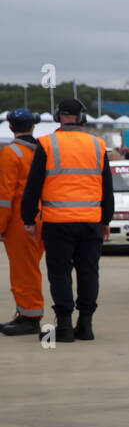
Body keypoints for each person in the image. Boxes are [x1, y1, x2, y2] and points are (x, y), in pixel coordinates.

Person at [19, 99, 113, 343]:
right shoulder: (98, 144)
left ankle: (64, 327)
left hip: (57, 221)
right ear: (82, 117)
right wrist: (106, 219)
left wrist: (28, 218)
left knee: (60, 273)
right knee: (89, 271)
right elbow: (107, 187)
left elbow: (33, 185)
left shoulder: (47, 144)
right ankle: (86, 324)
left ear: (57, 116)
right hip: (91, 221)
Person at [0, 109, 46, 335]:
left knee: (23, 271)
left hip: (20, 221)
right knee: (31, 268)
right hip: (44, 216)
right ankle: (27, 313)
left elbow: (4, 197)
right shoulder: (43, 150)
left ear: (10, 127)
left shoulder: (10, 154)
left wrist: (0, 226)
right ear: (32, 126)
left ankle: (29, 316)